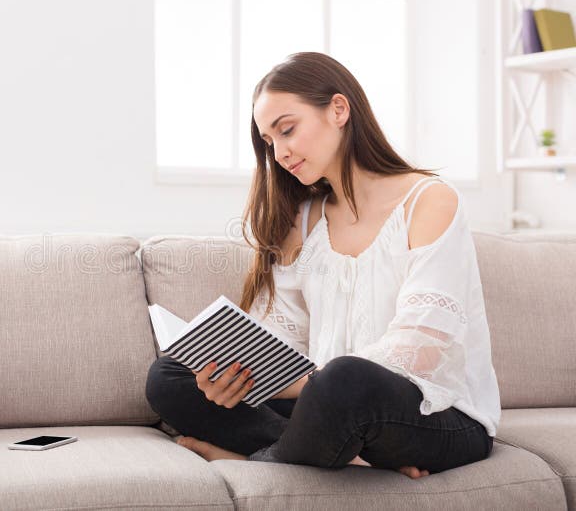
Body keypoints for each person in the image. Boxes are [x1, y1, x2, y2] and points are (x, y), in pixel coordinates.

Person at [145, 52, 500, 479]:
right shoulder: (304, 219)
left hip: (436, 412)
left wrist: (307, 385)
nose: (279, 153)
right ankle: (344, 456)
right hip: (329, 404)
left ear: (338, 109)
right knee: (170, 375)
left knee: (344, 380)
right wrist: (236, 372)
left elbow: (420, 351)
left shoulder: (429, 200)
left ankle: (259, 463)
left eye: (287, 130)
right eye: (269, 142)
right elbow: (284, 335)